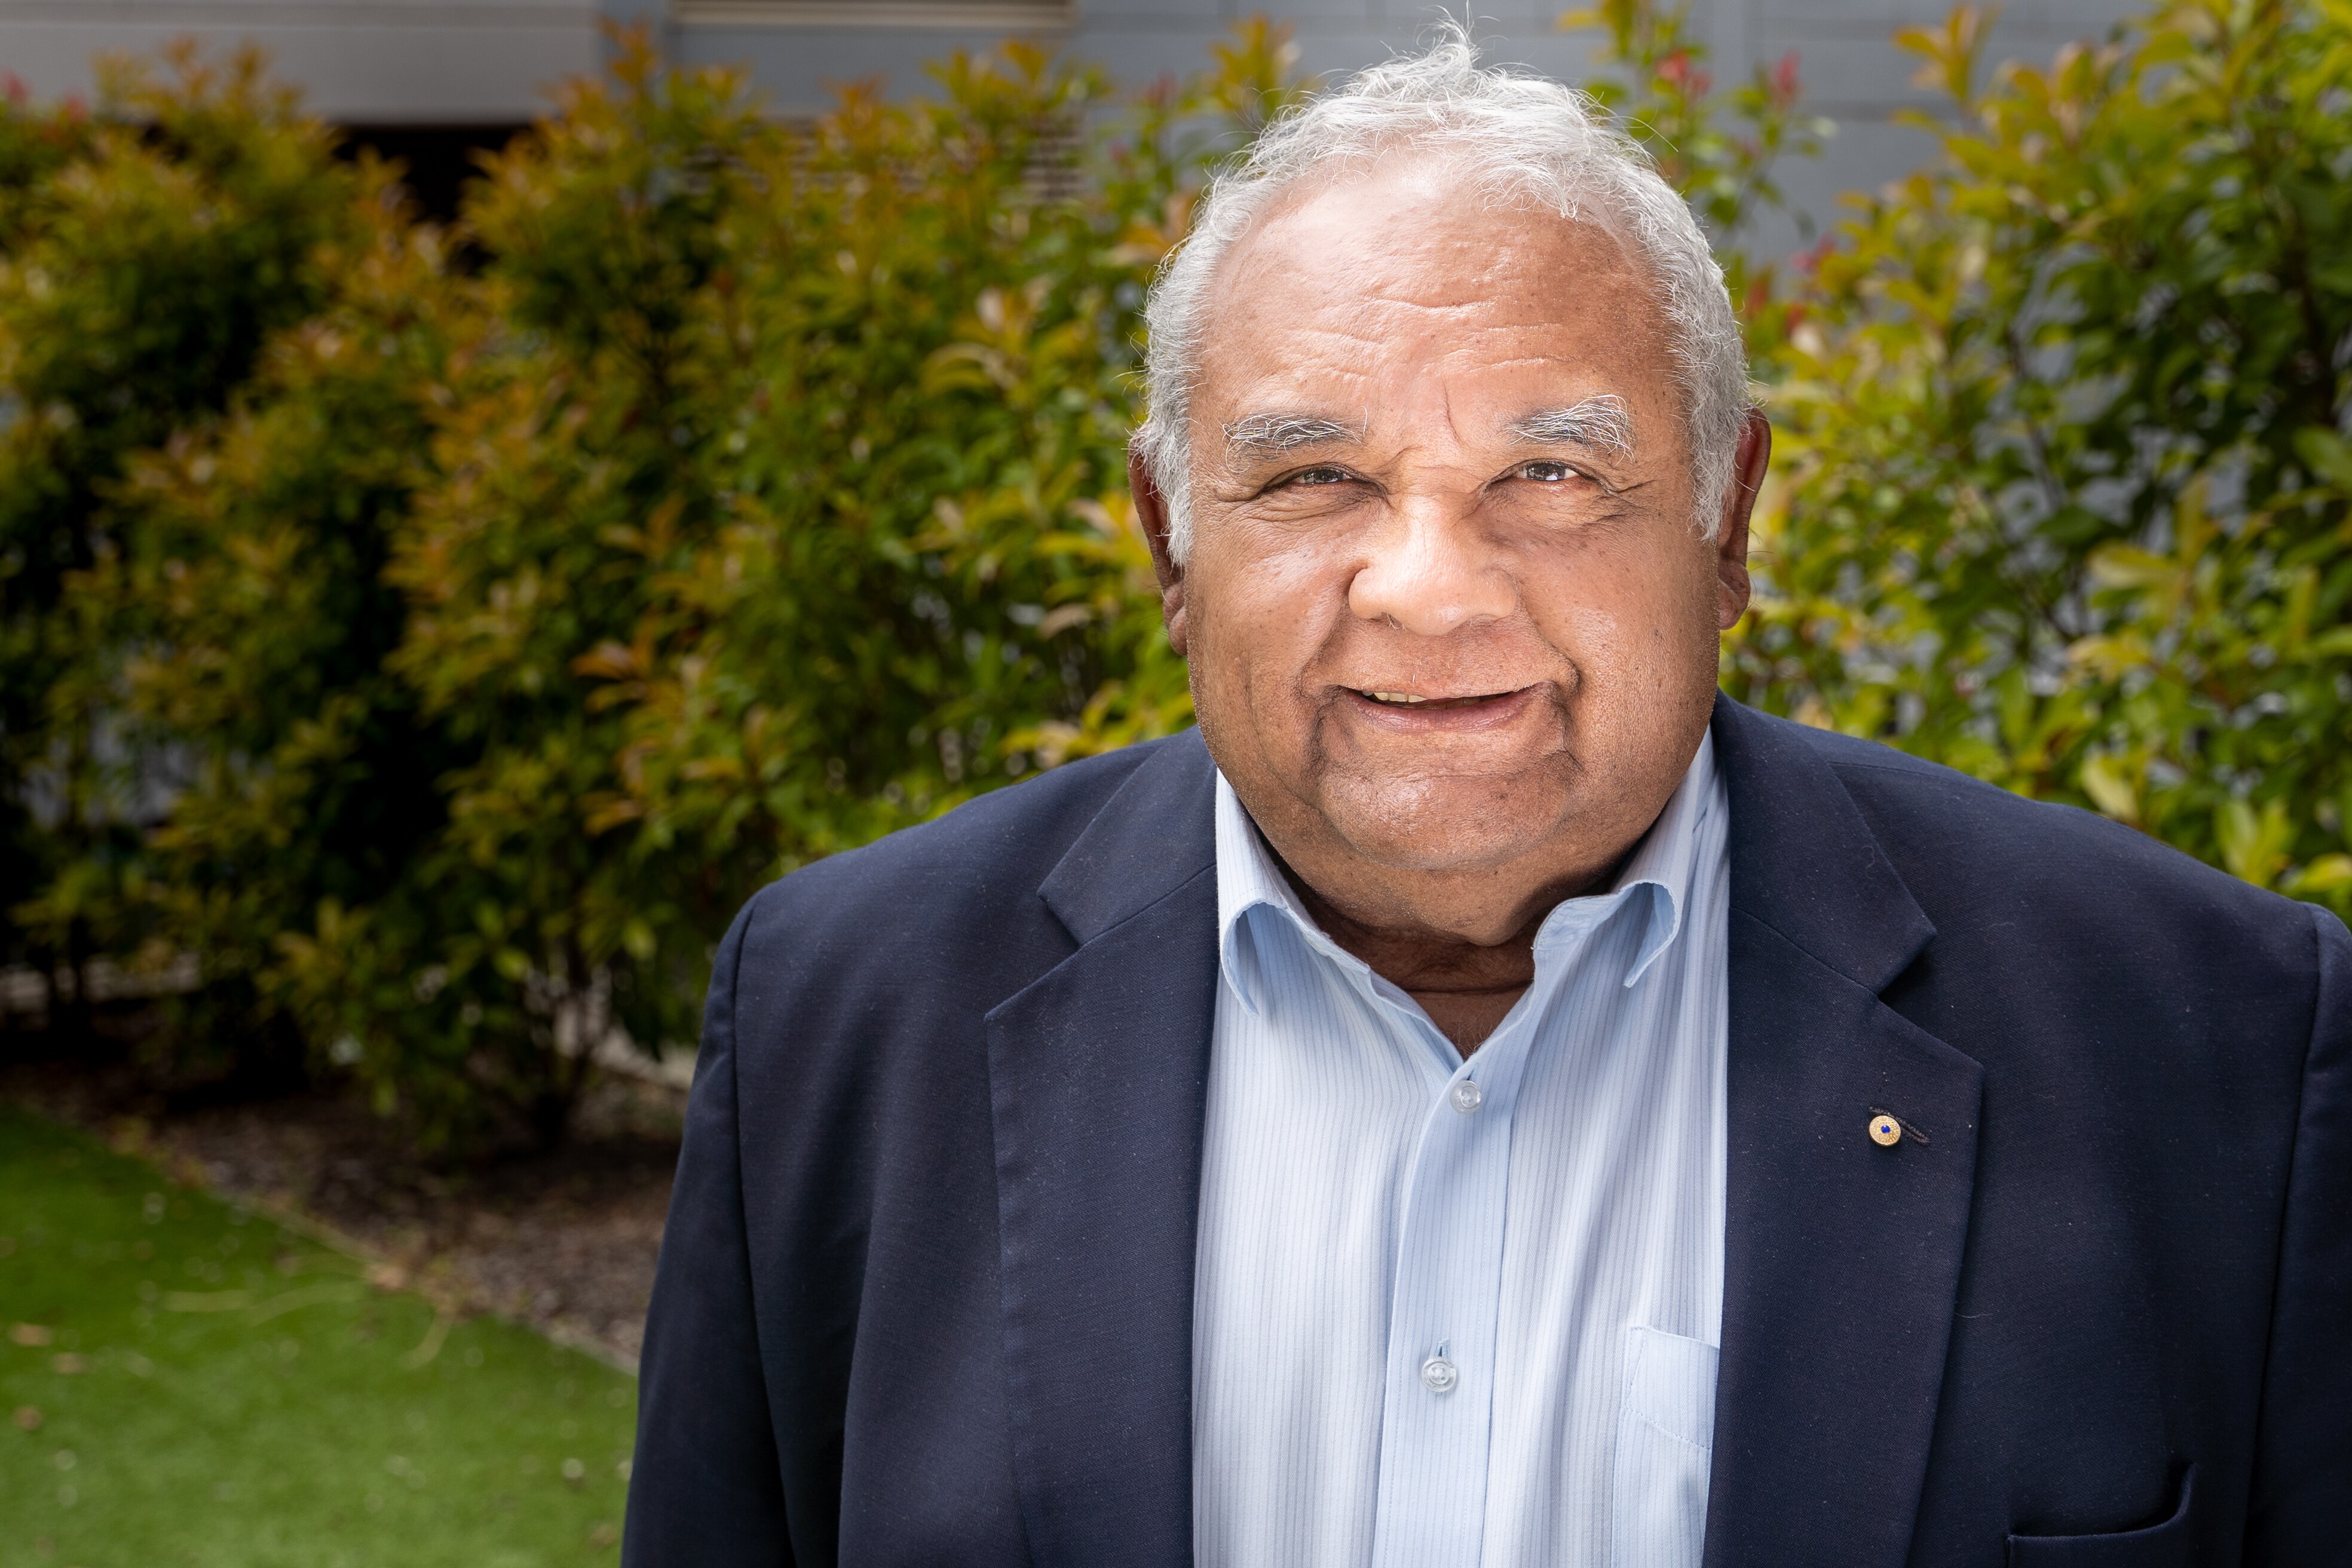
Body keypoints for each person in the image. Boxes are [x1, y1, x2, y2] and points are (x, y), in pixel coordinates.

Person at [620, 36, 2350, 1568]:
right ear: (1167, 537)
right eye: (1311, 478)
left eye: (1551, 472)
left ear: (1728, 517)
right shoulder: (843, 1013)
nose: (1430, 592)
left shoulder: (2214, 1045)